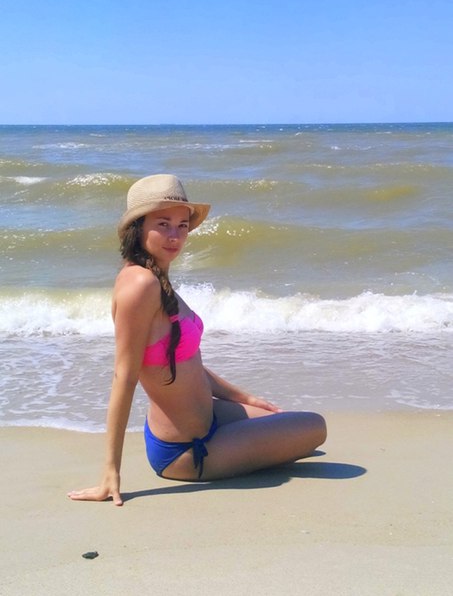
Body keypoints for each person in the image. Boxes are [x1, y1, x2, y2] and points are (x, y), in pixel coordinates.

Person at [68, 174, 327, 506]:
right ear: (138, 227)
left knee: (293, 425)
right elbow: (124, 376)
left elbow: (183, 361)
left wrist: (244, 397)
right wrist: (110, 473)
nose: (175, 236)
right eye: (163, 224)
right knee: (315, 427)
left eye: (182, 226)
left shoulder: (156, 278)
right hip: (187, 449)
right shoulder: (140, 285)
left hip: (211, 416)